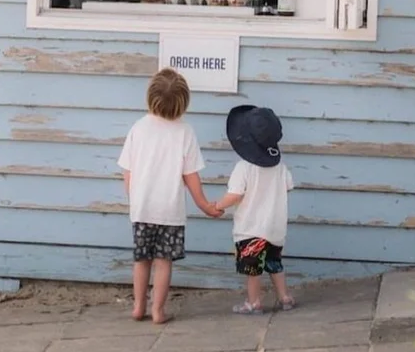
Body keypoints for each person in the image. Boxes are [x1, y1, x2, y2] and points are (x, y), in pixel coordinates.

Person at [117, 68, 220, 324]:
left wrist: (134, 197)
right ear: (183, 102)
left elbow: (127, 172)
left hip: (142, 209)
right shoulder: (185, 132)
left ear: (150, 97)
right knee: (163, 261)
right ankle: (158, 311)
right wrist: (205, 205)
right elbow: (191, 176)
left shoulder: (138, 129)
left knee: (142, 260)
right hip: (170, 212)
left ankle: (138, 307)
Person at [213, 104, 296, 314]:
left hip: (251, 229)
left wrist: (217, 206)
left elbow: (235, 195)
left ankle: (254, 302)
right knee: (275, 264)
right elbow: (288, 188)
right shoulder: (280, 167)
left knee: (253, 269)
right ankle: (284, 297)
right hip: (275, 229)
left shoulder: (244, 168)